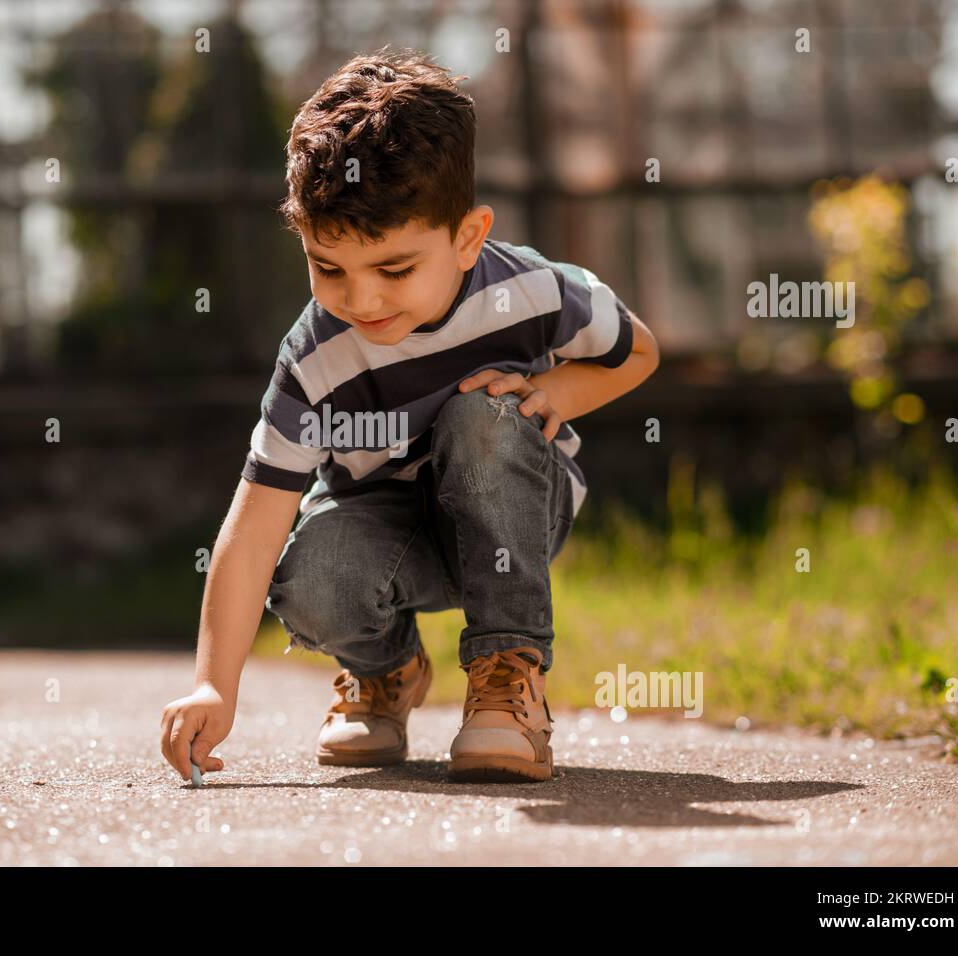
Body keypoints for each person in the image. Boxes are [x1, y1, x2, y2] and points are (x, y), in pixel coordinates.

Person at [160, 46, 660, 784]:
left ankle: (506, 675)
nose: (362, 301)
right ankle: (385, 672)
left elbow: (638, 351)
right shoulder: (313, 361)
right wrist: (213, 683)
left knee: (481, 417)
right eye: (328, 268)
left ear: (467, 236)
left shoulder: (531, 291)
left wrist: (557, 394)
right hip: (385, 531)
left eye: (394, 269)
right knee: (313, 574)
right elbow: (257, 518)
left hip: (511, 518)